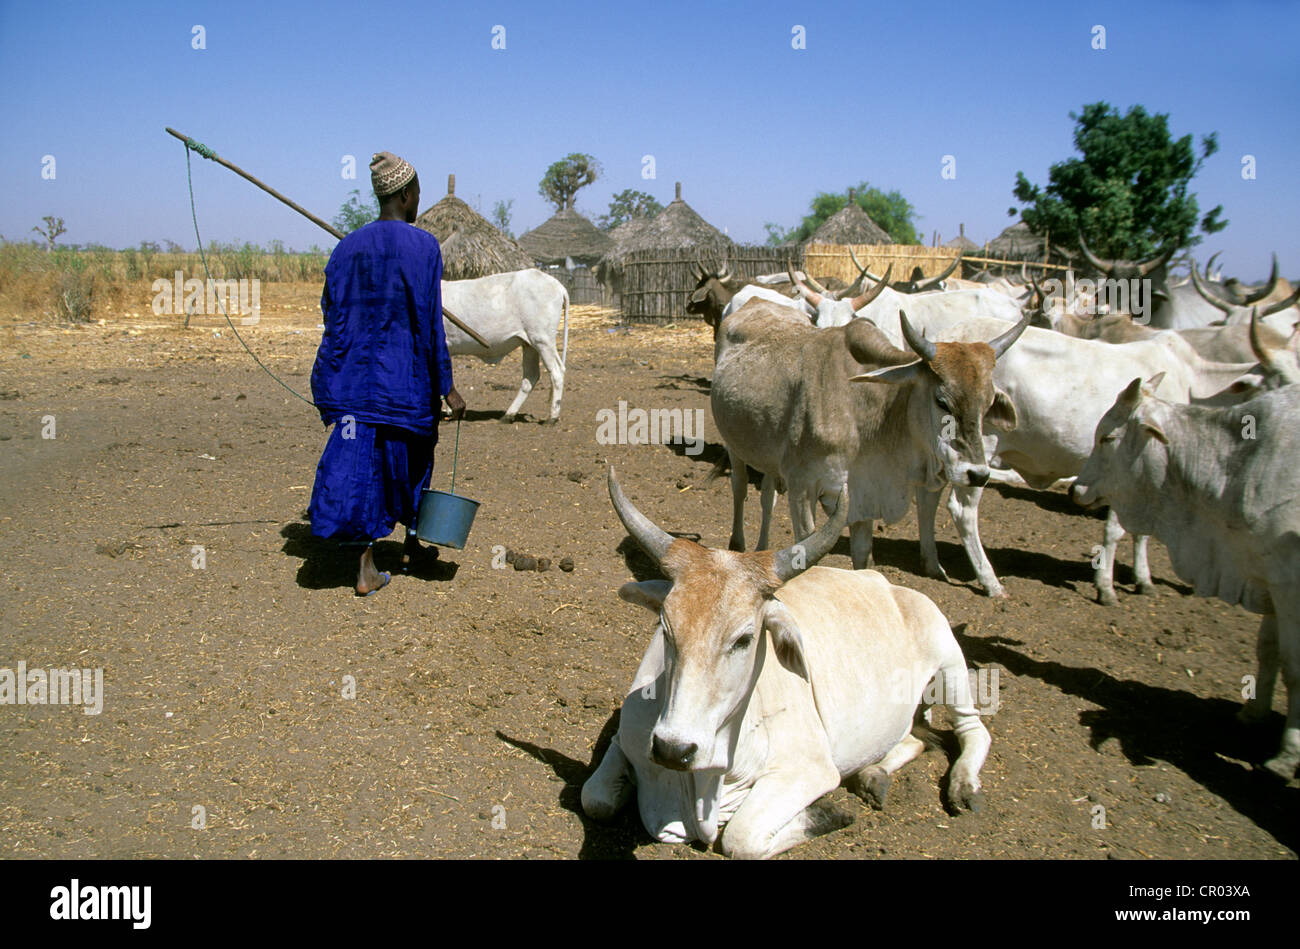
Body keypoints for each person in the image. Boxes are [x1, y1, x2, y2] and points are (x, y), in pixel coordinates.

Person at [308, 151, 466, 595]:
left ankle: (365, 566)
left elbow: (331, 314)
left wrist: (331, 376)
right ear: (404, 194)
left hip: (354, 383)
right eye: (417, 192)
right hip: (406, 384)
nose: (419, 200)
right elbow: (429, 323)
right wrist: (446, 386)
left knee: (360, 471)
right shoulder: (423, 248)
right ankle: (414, 546)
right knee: (412, 462)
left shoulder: (345, 248)